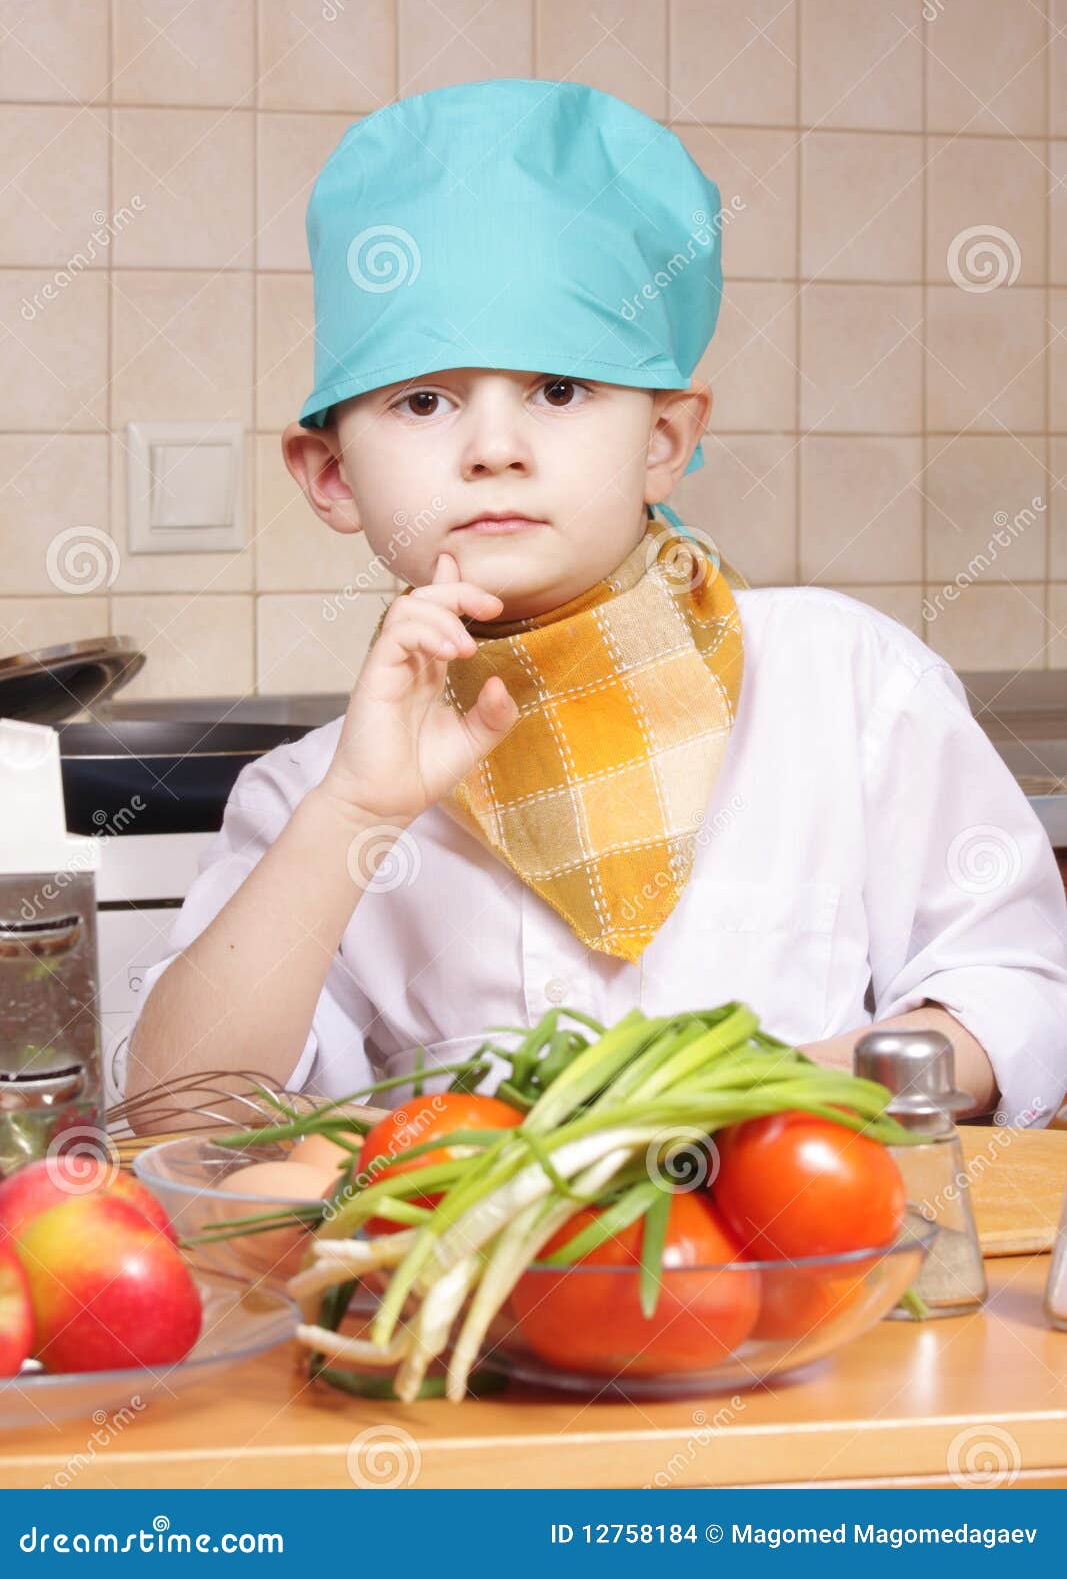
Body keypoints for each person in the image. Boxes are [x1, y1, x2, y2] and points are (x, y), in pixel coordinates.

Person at [125, 78, 1067, 1133]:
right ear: (330, 473)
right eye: (423, 400)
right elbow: (182, 1113)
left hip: (828, 1279)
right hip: (491, 1303)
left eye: (561, 389)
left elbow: (1014, 987)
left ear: (662, 440)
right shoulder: (310, 796)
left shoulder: (844, 681)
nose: (493, 447)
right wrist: (354, 812)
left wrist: (769, 1102)